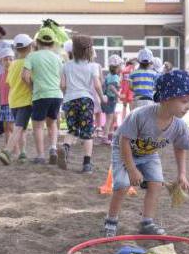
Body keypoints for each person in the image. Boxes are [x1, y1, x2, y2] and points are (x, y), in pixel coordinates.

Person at [104, 70, 189, 237]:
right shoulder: (140, 115)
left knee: (156, 184)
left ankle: (147, 222)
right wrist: (132, 169)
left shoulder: (180, 126)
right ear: (165, 98)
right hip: (124, 151)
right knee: (123, 185)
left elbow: (180, 147)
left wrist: (182, 174)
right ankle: (111, 221)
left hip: (149, 154)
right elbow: (124, 141)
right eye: (184, 101)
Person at [57, 35, 107, 173]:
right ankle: (86, 164)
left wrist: (68, 93)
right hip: (86, 100)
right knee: (87, 133)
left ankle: (65, 147)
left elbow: (62, 85)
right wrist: (102, 98)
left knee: (72, 129)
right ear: (89, 51)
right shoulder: (93, 66)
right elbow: (97, 85)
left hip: (69, 100)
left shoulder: (66, 66)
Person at [22, 27, 63, 164]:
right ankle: (53, 148)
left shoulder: (32, 56)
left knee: (38, 126)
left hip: (40, 95)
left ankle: (40, 155)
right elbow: (62, 79)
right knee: (52, 124)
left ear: (37, 42)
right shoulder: (58, 58)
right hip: (56, 95)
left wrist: (32, 87)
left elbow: (25, 76)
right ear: (53, 43)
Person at [0, 34, 34, 165]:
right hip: (25, 101)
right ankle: (7, 151)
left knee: (22, 128)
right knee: (19, 128)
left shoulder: (12, 65)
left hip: (13, 101)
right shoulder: (28, 63)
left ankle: (23, 153)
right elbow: (30, 79)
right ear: (30, 47)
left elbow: (9, 82)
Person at [101, 55, 122, 145]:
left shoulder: (109, 75)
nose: (121, 67)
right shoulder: (114, 77)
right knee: (109, 119)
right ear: (116, 67)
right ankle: (105, 137)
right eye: (120, 66)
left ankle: (110, 135)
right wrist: (118, 95)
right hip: (110, 100)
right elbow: (111, 87)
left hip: (109, 100)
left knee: (112, 117)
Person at [0, 48, 16, 152]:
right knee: (6, 128)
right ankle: (8, 147)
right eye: (5, 59)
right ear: (1, 62)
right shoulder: (1, 76)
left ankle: (15, 149)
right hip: (3, 104)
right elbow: (0, 89)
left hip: (11, 104)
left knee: (12, 128)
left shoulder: (13, 74)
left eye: (10, 59)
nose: (8, 61)